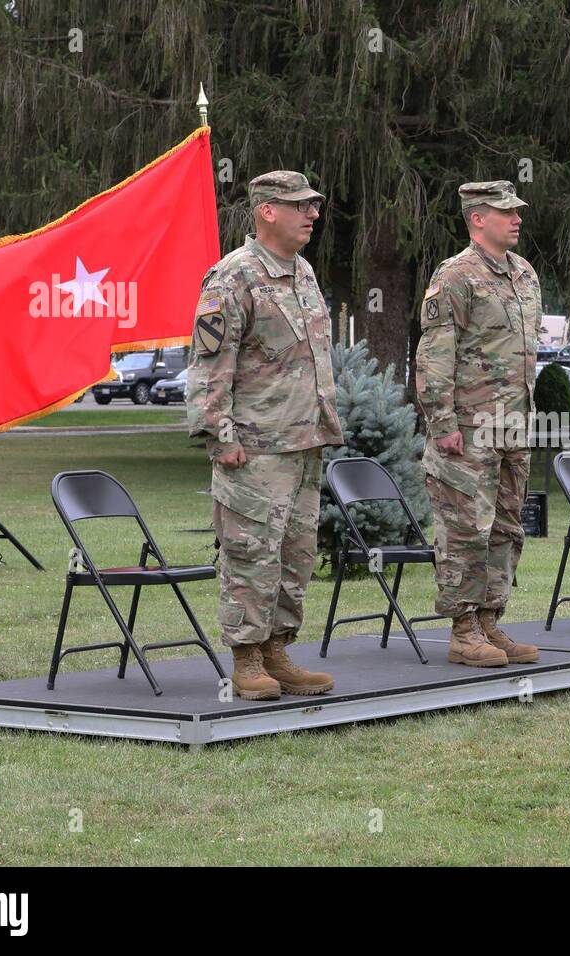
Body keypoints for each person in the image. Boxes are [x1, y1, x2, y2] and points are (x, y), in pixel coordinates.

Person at [186, 170, 341, 700]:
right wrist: (221, 437)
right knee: (250, 552)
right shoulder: (232, 278)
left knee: (295, 555)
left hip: (303, 443)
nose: (313, 215)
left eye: (314, 206)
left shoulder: (303, 273)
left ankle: (278, 650)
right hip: (253, 448)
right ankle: (247, 659)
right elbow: (210, 367)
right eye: (301, 206)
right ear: (267, 211)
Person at [414, 180, 541, 668]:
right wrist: (441, 420)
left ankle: (490, 618)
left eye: (517, 211)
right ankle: (463, 629)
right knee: (466, 528)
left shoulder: (524, 274)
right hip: (467, 429)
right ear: (477, 218)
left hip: (514, 427)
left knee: (507, 527)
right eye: (505, 212)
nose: (516, 219)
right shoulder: (456, 276)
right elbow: (435, 355)